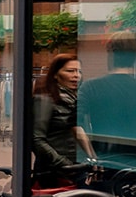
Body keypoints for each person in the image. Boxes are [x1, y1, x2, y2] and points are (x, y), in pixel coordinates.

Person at [33, 53, 95, 188]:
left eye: (79, 71)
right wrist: (64, 163)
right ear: (55, 74)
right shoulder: (45, 99)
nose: (76, 75)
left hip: (76, 167)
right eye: (70, 71)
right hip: (55, 172)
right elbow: (36, 138)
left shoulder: (76, 100)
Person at [79, 33, 136, 167]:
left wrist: (92, 156)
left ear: (111, 55)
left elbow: (77, 125)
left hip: (106, 160)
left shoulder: (90, 87)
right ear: (135, 57)